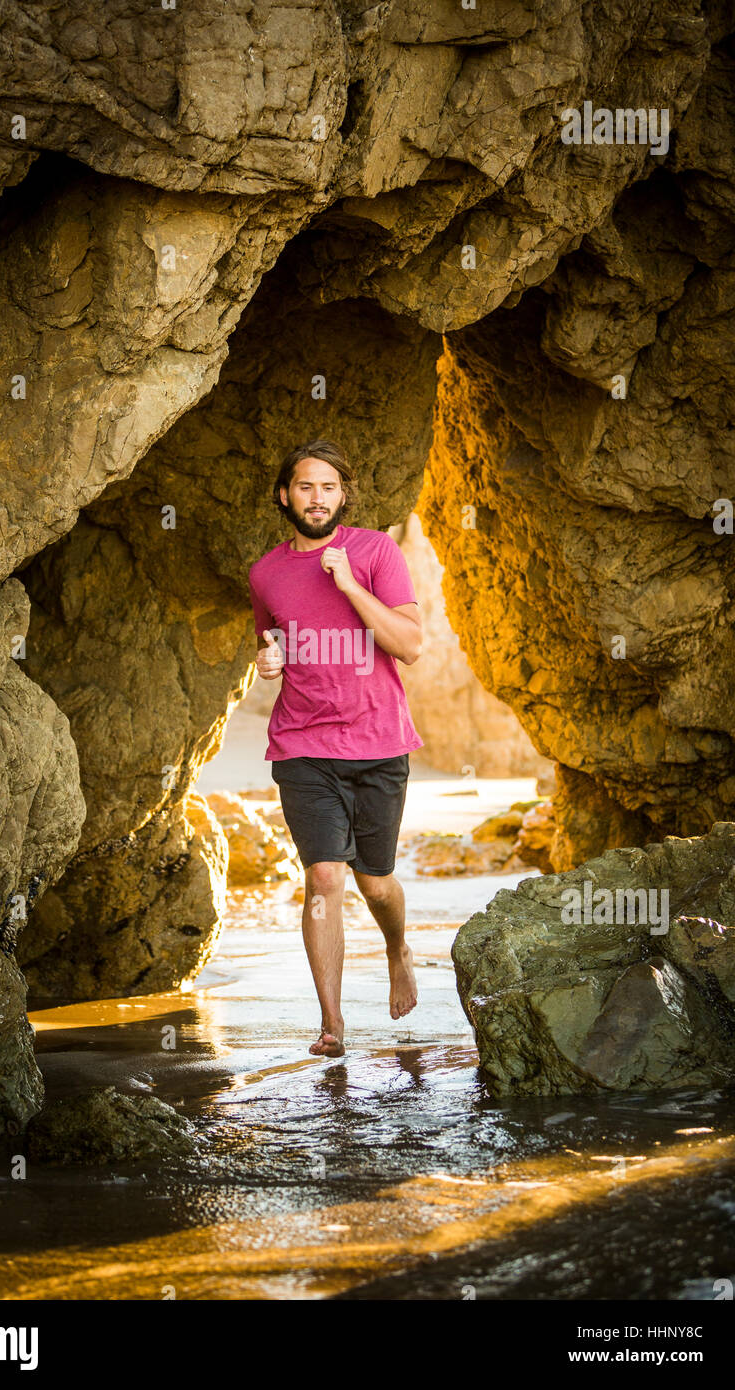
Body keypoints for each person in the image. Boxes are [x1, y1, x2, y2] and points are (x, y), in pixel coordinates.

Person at [248, 439, 424, 1058]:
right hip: (303, 744)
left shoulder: (375, 550)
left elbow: (409, 644)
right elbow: (273, 640)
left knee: (375, 884)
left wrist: (349, 584)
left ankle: (398, 949)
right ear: (284, 494)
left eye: (328, 488)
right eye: (304, 486)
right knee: (324, 876)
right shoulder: (265, 573)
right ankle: (332, 1022)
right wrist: (268, 658)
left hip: (379, 741)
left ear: (342, 495)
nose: (316, 498)